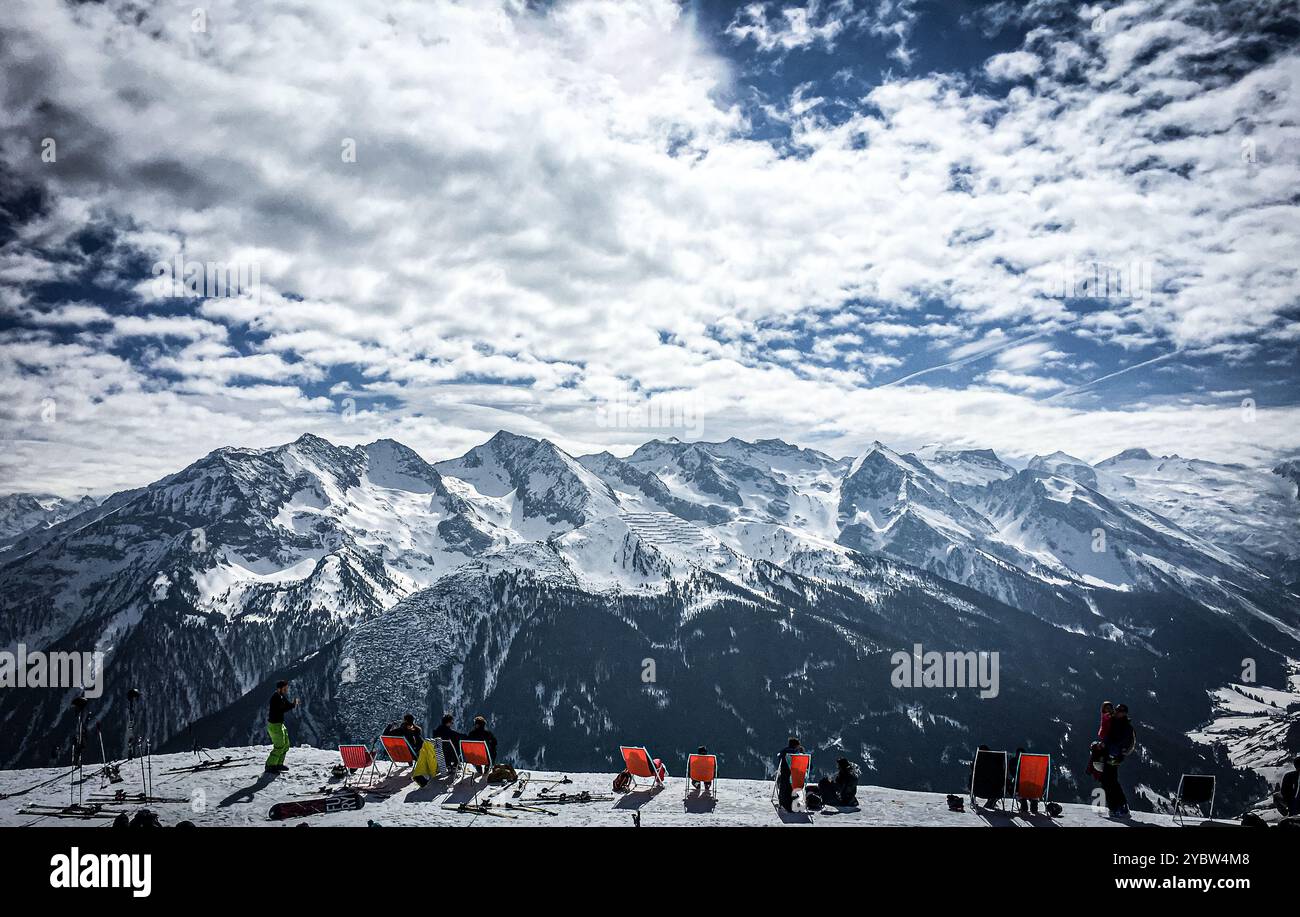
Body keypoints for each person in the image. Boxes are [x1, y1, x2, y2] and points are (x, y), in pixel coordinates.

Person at [1099, 702, 1136, 817]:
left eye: (1120, 711)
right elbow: (1106, 735)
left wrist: (1107, 746)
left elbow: (1121, 743)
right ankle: (1116, 806)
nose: (1117, 712)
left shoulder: (1126, 727)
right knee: (1108, 781)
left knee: (1109, 781)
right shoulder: (1114, 722)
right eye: (1117, 709)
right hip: (1110, 755)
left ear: (1124, 713)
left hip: (1115, 756)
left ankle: (1119, 806)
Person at [265, 680, 297, 774]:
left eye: (287, 688)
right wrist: (292, 705)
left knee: (286, 744)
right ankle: (270, 765)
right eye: (285, 688)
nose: (286, 690)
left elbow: (287, 705)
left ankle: (278, 764)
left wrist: (293, 704)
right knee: (279, 746)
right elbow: (282, 709)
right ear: (279, 689)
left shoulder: (281, 696)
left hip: (279, 724)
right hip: (274, 725)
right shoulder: (276, 698)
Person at [776, 736, 805, 812]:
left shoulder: (783, 753)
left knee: (780, 778)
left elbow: (779, 760)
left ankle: (783, 800)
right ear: (796, 746)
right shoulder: (800, 754)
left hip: (785, 778)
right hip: (798, 780)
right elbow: (810, 767)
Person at [1087, 701, 1114, 781]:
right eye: (1106, 708)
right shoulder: (1107, 716)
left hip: (1106, 740)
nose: (1108, 710)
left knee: (1096, 751)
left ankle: (1092, 770)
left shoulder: (1108, 716)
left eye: (1109, 708)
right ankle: (1093, 770)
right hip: (1106, 739)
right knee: (1097, 752)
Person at [1008, 748, 1038, 815]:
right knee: (1034, 784)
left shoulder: (1013, 761)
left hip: (1018, 787)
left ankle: (1022, 799)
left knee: (1010, 784)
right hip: (1033, 788)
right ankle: (1034, 799)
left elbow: (1012, 774)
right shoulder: (1032, 762)